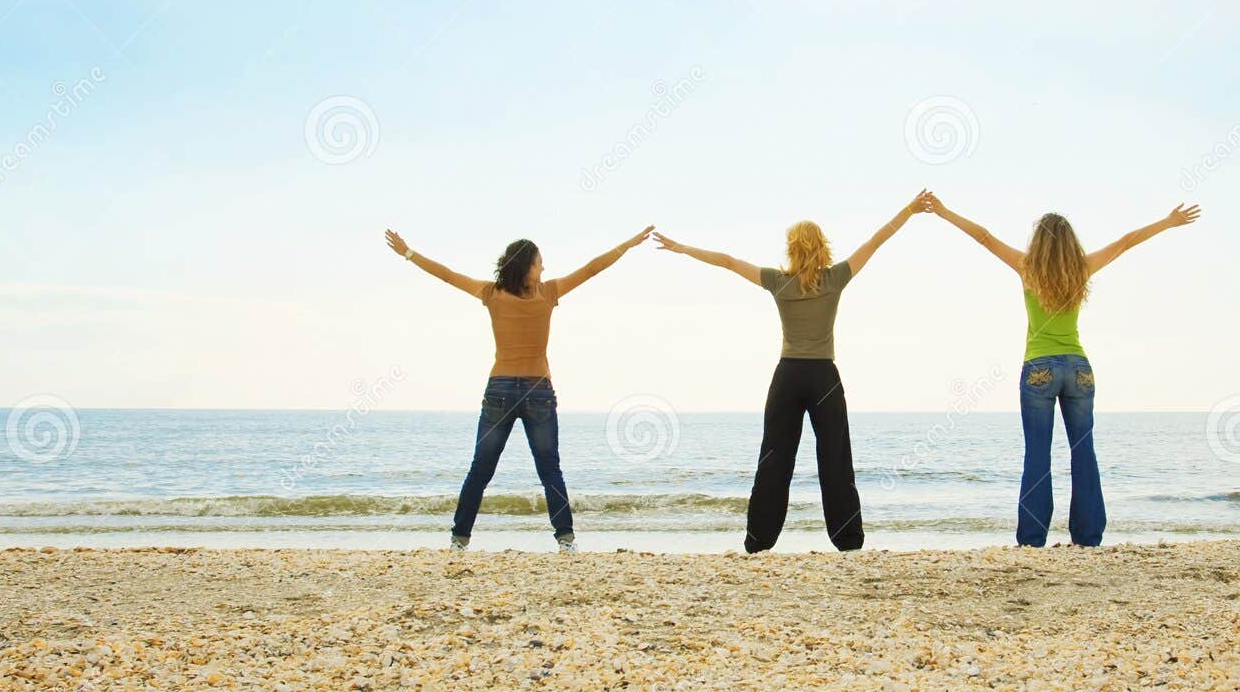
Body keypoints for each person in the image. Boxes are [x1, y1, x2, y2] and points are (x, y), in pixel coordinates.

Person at [652, 192, 931, 553]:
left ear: (792, 247)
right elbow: (876, 241)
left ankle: (758, 542)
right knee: (835, 458)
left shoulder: (778, 281)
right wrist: (908, 209)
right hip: (824, 379)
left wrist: (682, 248)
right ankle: (848, 542)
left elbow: (727, 261)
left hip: (788, 378)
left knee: (774, 459)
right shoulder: (837, 277)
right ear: (822, 246)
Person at [923, 196, 1201, 547]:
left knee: (1037, 454)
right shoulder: (1082, 268)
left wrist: (945, 212)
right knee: (1084, 452)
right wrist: (1168, 221)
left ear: (1038, 242)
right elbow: (1127, 241)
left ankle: (1032, 539)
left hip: (1039, 368)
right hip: (1079, 369)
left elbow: (985, 237)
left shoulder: (1028, 268)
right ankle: (1087, 538)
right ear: (1071, 243)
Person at [383, 226, 653, 552]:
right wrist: (628, 243)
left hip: (500, 389)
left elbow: (447, 275)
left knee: (481, 469)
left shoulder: (492, 294)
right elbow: (593, 268)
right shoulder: (548, 293)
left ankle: (459, 540)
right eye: (539, 263)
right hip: (538, 390)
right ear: (525, 266)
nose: (543, 269)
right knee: (549, 470)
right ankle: (565, 540)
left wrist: (409, 254)